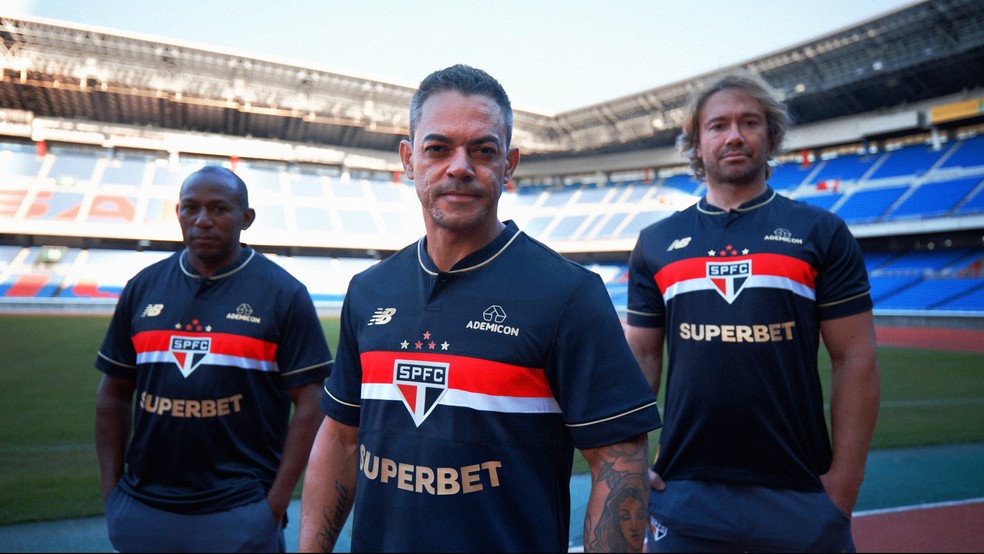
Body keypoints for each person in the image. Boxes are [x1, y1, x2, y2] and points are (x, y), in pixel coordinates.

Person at [298, 64, 661, 553]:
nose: (460, 166)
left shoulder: (568, 294)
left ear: (509, 164)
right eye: (438, 148)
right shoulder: (369, 290)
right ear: (409, 160)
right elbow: (341, 439)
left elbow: (619, 461)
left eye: (483, 150)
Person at [625, 70, 880, 552]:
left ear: (771, 135)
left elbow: (856, 358)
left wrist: (843, 485)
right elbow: (640, 356)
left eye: (750, 122)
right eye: (717, 125)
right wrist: (631, 463)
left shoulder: (820, 231)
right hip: (682, 491)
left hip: (801, 492)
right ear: (696, 144)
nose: (735, 135)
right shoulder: (656, 242)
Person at [94, 165, 332, 552]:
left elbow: (311, 401)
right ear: (178, 213)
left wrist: (274, 503)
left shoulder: (283, 293)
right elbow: (113, 392)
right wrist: (113, 495)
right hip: (143, 508)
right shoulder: (143, 287)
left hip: (239, 510)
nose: (203, 220)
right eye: (191, 208)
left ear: (246, 218)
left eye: (219, 209)